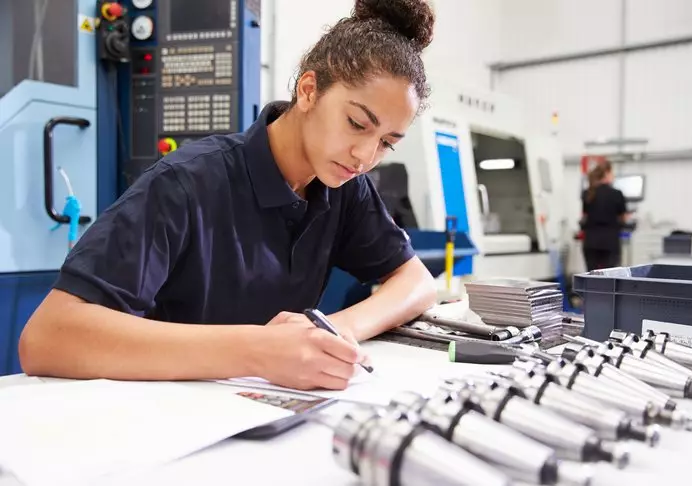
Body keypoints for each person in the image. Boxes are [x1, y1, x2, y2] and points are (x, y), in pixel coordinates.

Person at [19, 0, 438, 391]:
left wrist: (335, 328)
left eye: (387, 143)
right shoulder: (187, 183)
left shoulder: (344, 188)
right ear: (309, 91)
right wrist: (258, 351)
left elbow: (416, 282)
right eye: (356, 123)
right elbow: (47, 337)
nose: (365, 156)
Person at [580, 162, 628, 271]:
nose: (613, 176)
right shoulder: (616, 193)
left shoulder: (587, 193)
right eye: (612, 173)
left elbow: (585, 216)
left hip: (590, 242)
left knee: (591, 276)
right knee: (609, 279)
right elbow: (623, 218)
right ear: (606, 173)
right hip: (609, 242)